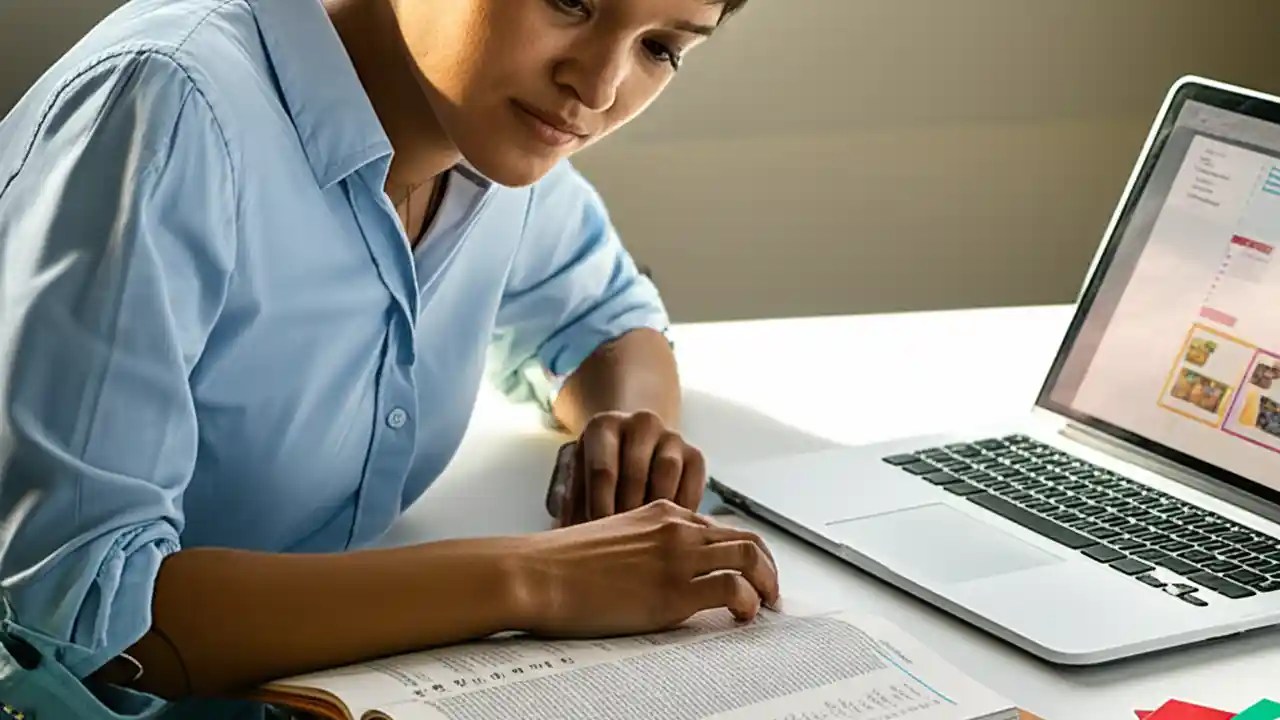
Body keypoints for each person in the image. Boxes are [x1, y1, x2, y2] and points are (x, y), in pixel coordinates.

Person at [0, 0, 779, 716]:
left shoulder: (486, 133)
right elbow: (80, 613)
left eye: (660, 48)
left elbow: (606, 318)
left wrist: (629, 429)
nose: (600, 86)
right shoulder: (169, 112)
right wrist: (539, 577)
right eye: (569, 0)